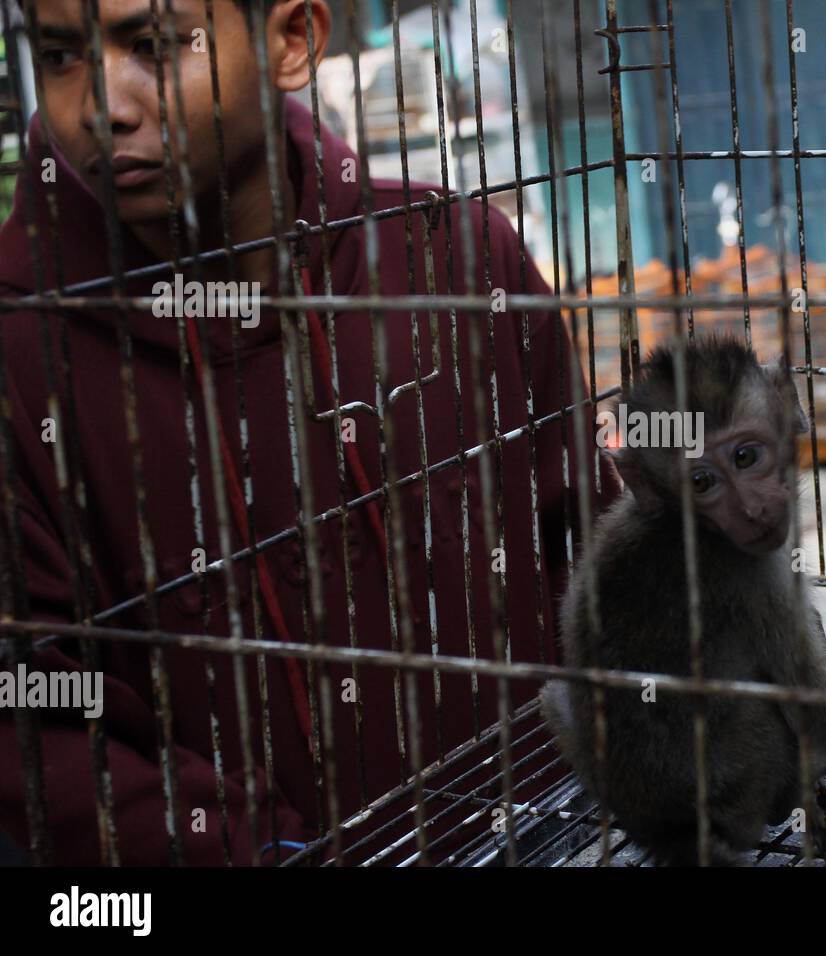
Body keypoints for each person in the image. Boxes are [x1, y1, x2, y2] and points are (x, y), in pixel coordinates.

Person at [0, 0, 613, 864]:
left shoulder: (456, 259)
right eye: (62, 57)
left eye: (153, 45)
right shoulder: (21, 360)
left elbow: (598, 546)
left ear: (292, 40)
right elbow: (38, 732)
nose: (104, 105)